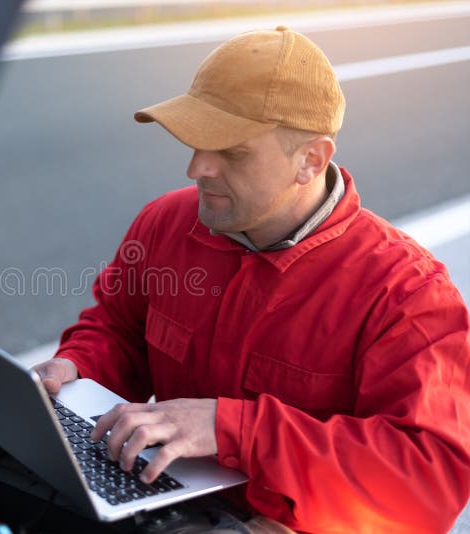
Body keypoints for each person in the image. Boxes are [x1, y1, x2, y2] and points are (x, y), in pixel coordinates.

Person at [32, 26, 470, 532]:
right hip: (161, 498)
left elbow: (427, 481)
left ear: (311, 160)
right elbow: (118, 332)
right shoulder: (166, 223)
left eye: (232, 152)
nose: (197, 168)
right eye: (195, 140)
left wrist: (230, 429)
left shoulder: (408, 296)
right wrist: (75, 369)